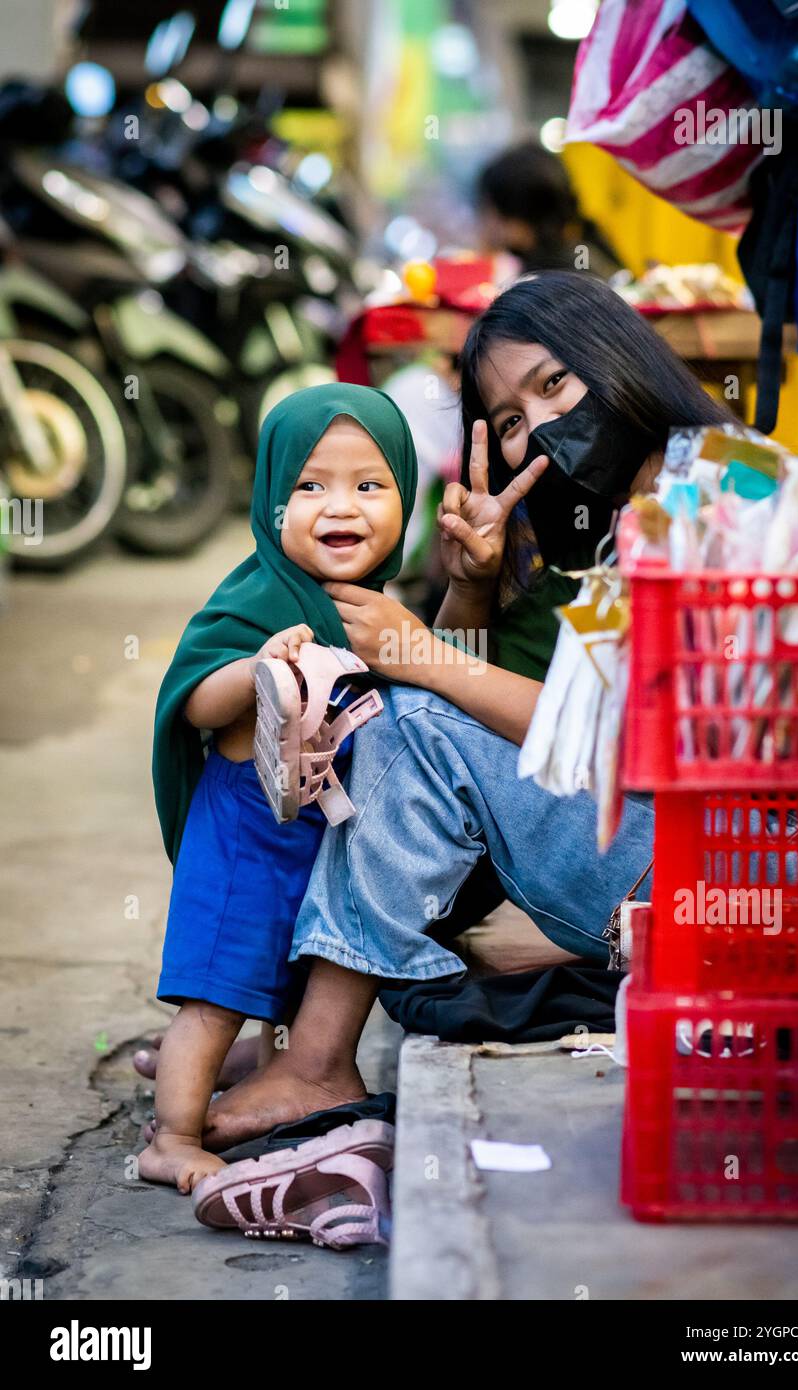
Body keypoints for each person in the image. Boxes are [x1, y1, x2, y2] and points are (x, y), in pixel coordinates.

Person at [138, 271, 735, 1152]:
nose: (535, 430)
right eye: (506, 422)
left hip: (709, 870)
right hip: (656, 863)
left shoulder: (709, 501)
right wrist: (470, 588)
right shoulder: (612, 525)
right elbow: (482, 714)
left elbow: (622, 740)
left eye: (553, 385)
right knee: (404, 721)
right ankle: (296, 1044)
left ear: (618, 357)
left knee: (402, 723)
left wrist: (423, 654)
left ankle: (314, 1061)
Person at [138, 384, 417, 1191]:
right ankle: (173, 1135)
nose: (342, 507)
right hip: (243, 847)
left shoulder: (366, 606)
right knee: (214, 999)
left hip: (307, 845)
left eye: (370, 486)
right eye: (310, 486)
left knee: (284, 992)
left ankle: (269, 1077)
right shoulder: (261, 594)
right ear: (270, 500)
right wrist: (258, 669)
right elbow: (191, 694)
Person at [477, 141, 622, 281]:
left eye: (490, 209)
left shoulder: (562, 270)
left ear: (518, 218)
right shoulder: (583, 240)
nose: (488, 222)